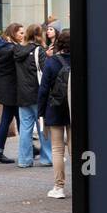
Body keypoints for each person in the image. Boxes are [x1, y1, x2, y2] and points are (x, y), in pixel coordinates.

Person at [36, 29, 71, 198]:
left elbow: (43, 90)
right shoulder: (81, 59)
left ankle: (59, 187)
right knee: (75, 148)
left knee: (57, 149)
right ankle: (82, 185)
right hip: (74, 108)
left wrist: (41, 112)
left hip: (55, 107)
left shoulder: (51, 62)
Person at [15, 24, 51, 168]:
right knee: (43, 127)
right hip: (37, 94)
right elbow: (46, 72)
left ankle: (24, 160)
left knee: (25, 129)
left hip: (22, 95)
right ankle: (47, 158)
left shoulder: (17, 50)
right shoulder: (39, 50)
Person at [0, 23, 24, 164]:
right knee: (19, 120)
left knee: (13, 119)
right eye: (21, 33)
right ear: (13, 33)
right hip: (12, 90)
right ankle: (28, 149)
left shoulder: (2, 46)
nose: (23, 35)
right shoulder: (12, 49)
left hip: (5, 89)